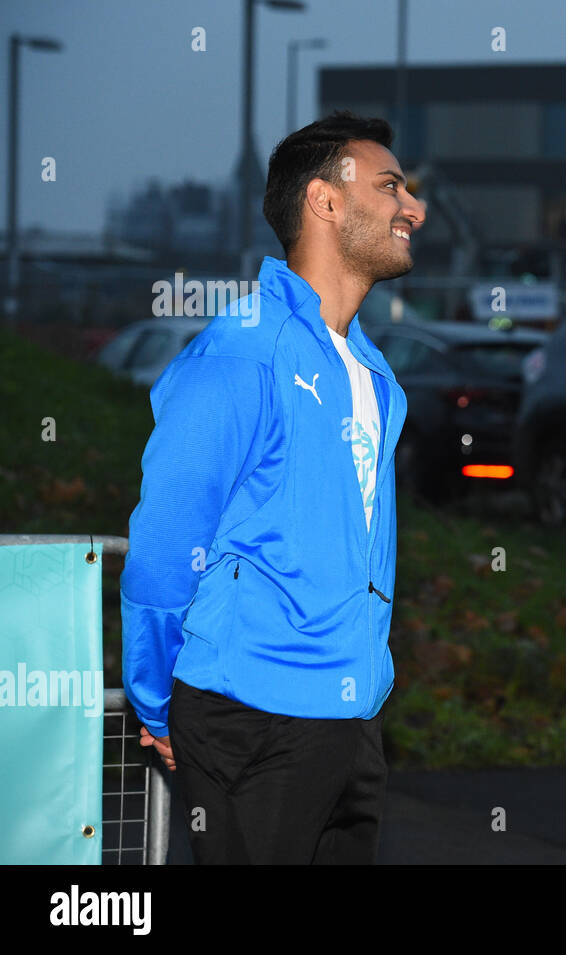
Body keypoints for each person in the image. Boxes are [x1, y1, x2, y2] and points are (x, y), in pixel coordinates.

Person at [120, 111, 426, 864]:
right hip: (248, 717)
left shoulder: (371, 373)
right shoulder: (242, 353)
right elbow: (163, 547)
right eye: (390, 186)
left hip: (352, 720)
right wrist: (155, 698)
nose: (414, 208)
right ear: (325, 201)